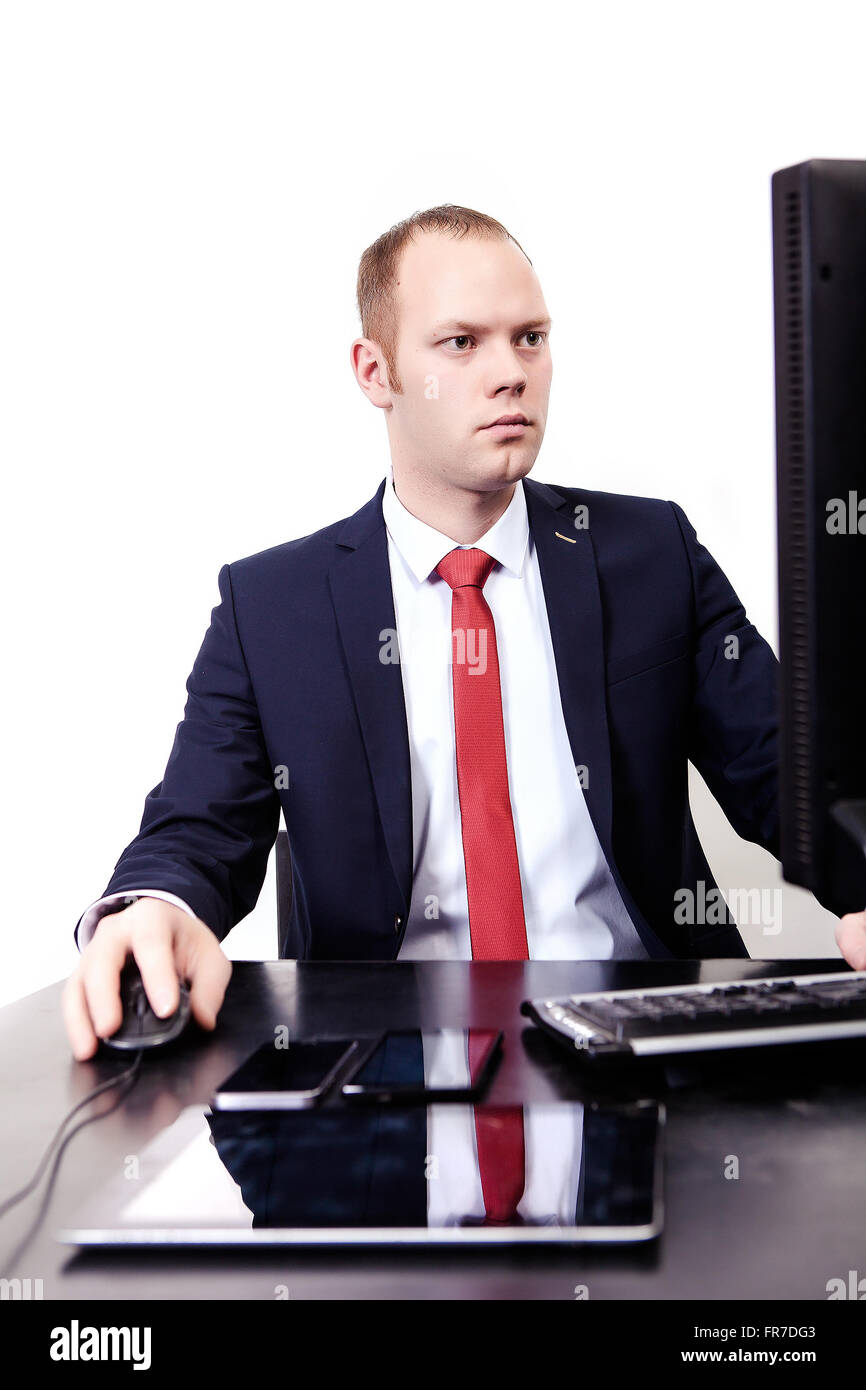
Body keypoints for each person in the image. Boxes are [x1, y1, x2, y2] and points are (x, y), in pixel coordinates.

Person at [62, 204, 866, 1061]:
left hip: (643, 1052)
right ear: (376, 372)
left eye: (530, 338)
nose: (510, 372)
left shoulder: (650, 555)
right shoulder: (272, 608)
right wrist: (154, 910)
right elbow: (197, 829)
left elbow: (789, 776)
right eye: (461, 343)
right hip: (387, 1073)